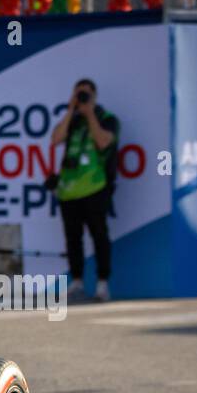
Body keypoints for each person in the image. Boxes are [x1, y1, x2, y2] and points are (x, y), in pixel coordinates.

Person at [51, 78, 120, 302]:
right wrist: (71, 109)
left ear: (94, 96)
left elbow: (103, 142)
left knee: (99, 235)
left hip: (95, 188)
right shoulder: (72, 120)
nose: (81, 98)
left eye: (85, 95)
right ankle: (77, 280)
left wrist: (90, 113)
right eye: (77, 94)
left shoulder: (106, 119)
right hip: (69, 189)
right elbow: (55, 140)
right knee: (72, 238)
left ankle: (102, 282)